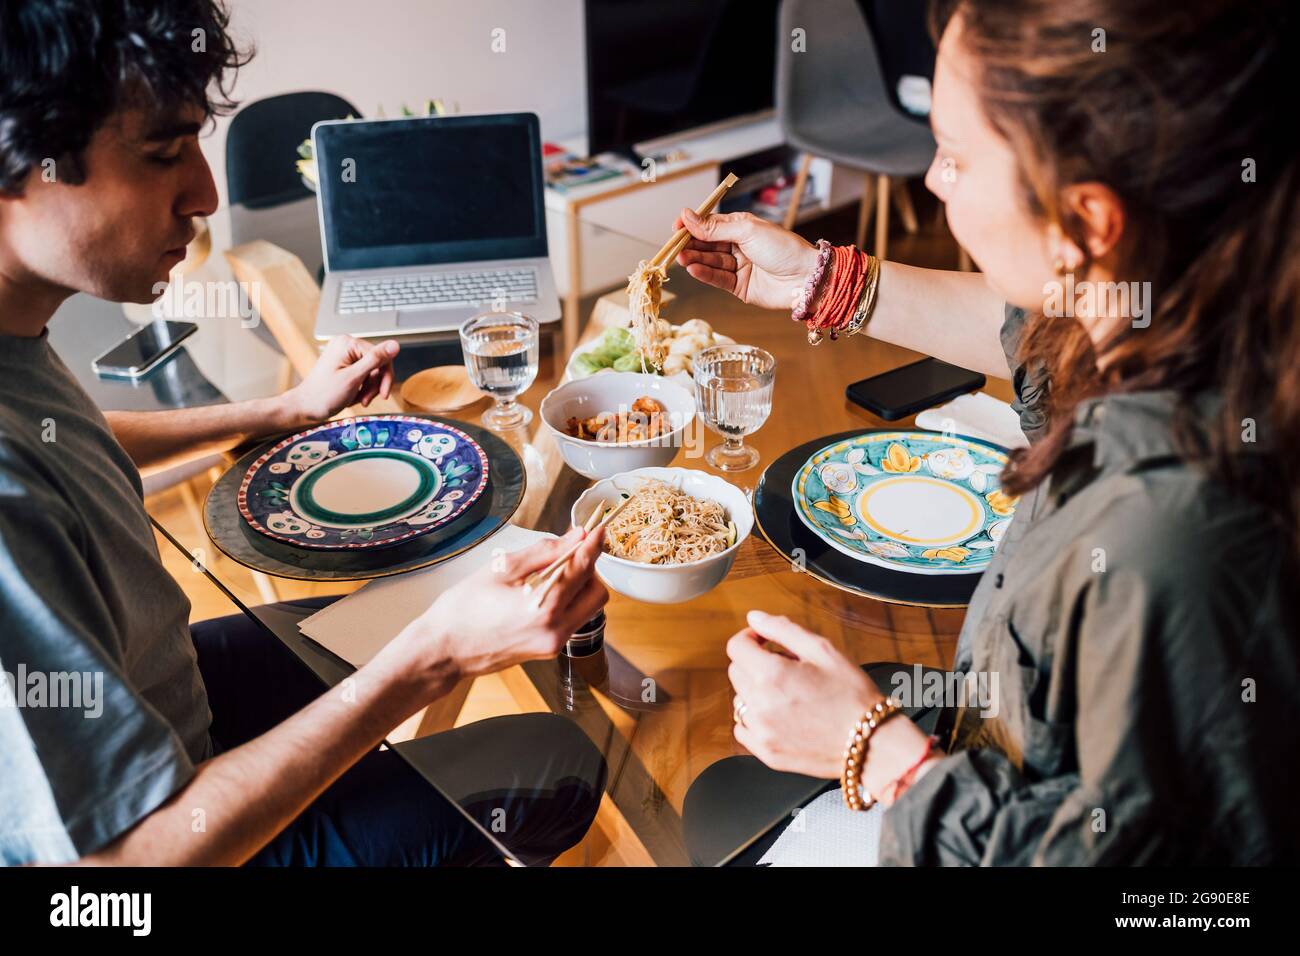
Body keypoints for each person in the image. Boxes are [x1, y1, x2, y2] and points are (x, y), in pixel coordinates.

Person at [676, 0, 1299, 865]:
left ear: (1085, 223)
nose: (932, 180)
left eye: (958, 157)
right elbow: (1026, 321)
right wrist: (817, 278)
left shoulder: (1171, 537)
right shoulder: (1158, 301)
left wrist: (880, 751)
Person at [0, 0, 607, 866]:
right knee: (557, 760)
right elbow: (117, 874)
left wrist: (281, 409)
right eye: (163, 153)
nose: (206, 194)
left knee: (403, 615)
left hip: (156, 685)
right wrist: (431, 662)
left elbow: (61, 432)